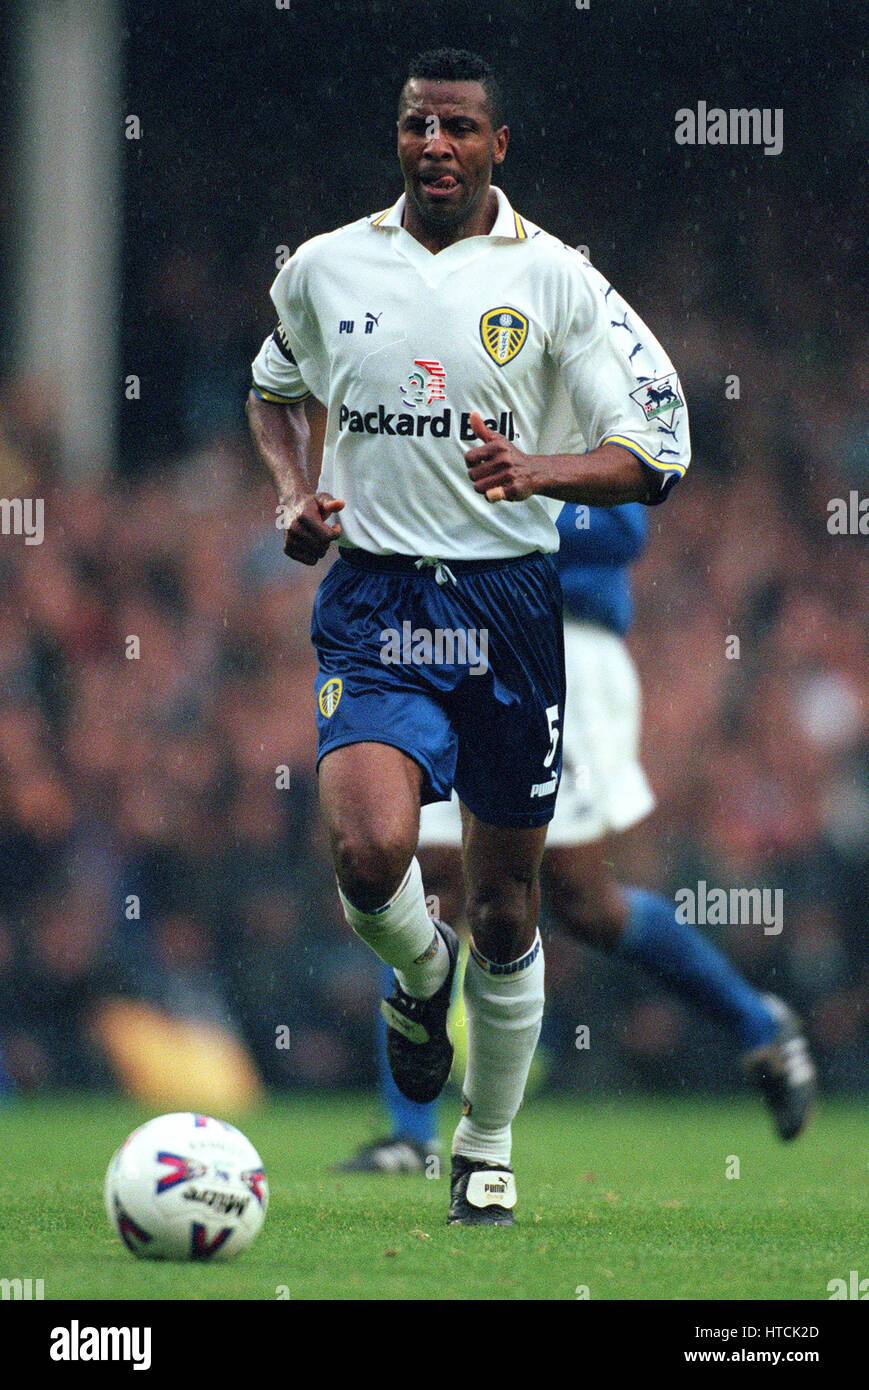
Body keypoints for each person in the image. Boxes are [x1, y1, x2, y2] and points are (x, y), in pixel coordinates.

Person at [247, 47, 690, 1225]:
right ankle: (416, 973)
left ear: (497, 146)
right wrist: (295, 494)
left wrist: (537, 467)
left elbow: (656, 449)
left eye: (455, 127)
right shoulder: (328, 266)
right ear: (395, 139)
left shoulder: (556, 282)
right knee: (366, 853)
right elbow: (274, 385)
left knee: (505, 906)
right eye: (414, 125)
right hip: (377, 600)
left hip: (506, 609)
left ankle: (483, 1145)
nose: (432, 145)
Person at [340, 502, 817, 1173]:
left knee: (579, 899)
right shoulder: (441, 398)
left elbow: (623, 522)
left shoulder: (577, 400)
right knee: (425, 878)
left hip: (557, 644)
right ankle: (409, 1136)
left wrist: (490, 508)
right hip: (450, 642)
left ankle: (758, 1025)